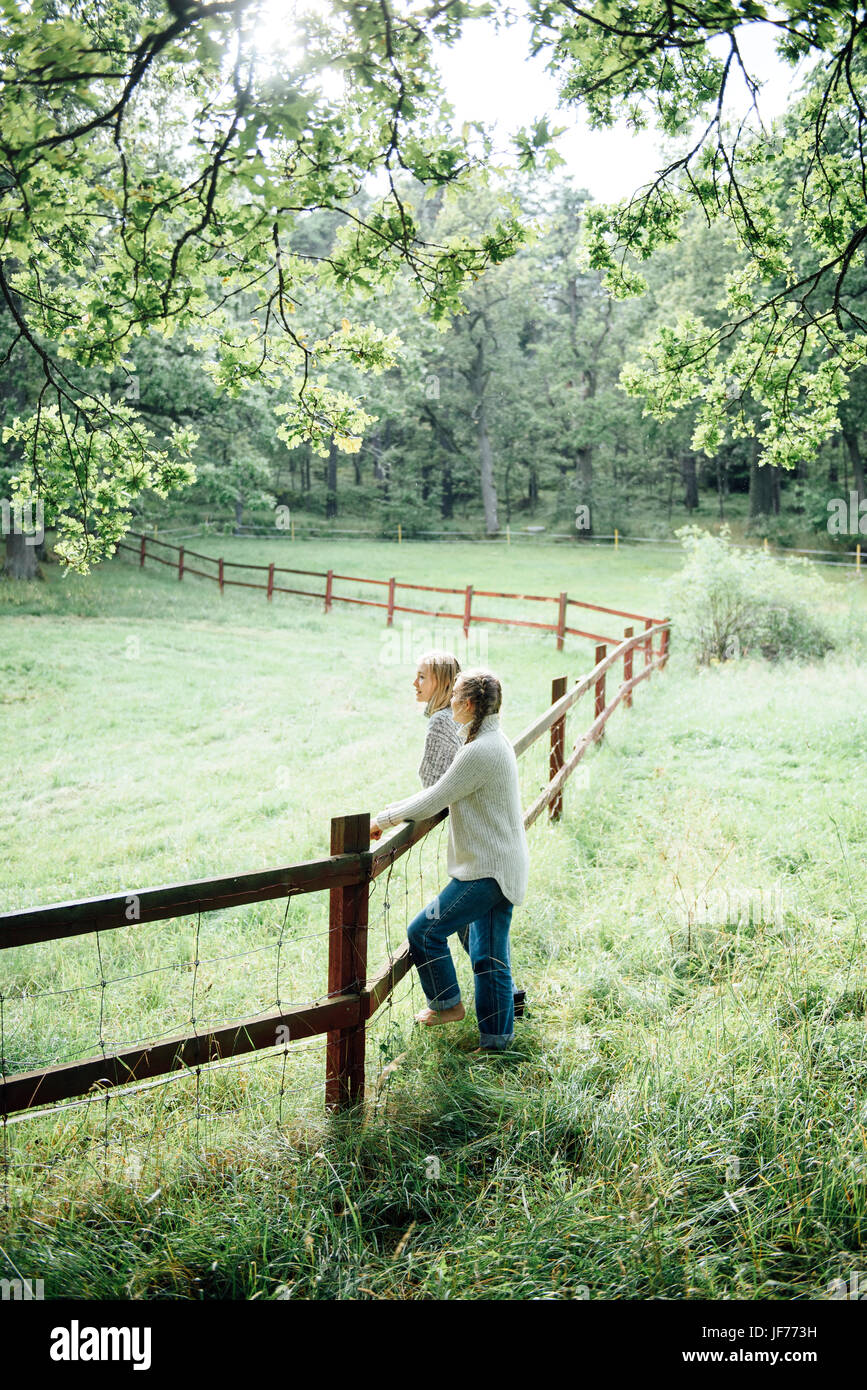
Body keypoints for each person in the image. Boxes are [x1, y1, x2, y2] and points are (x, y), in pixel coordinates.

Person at [370, 668, 529, 1053]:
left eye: (455, 694)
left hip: (487, 872)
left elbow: (433, 799)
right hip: (501, 864)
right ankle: (496, 1043)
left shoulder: (479, 751)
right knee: (488, 954)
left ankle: (447, 1005)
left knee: (425, 930)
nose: (449, 701)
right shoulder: (491, 740)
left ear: (470, 704)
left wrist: (381, 819)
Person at [413, 650, 462, 788]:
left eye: (422, 677)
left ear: (445, 682)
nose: (415, 683)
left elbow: (433, 785)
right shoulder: (457, 713)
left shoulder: (441, 721)